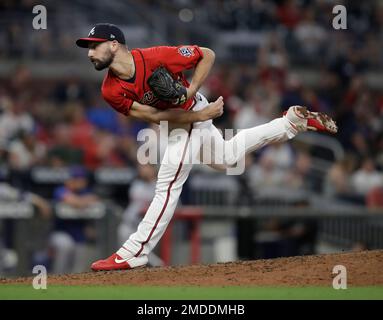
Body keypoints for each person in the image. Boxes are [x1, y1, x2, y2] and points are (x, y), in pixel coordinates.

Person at [76, 23, 337, 271]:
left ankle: (133, 252)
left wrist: (190, 92)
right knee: (227, 157)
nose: (89, 53)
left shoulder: (155, 56)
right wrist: (198, 117)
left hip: (191, 109)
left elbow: (207, 55)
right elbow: (155, 117)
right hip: (183, 119)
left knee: (167, 183)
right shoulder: (110, 90)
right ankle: (290, 123)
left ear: (113, 45)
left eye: (94, 46)